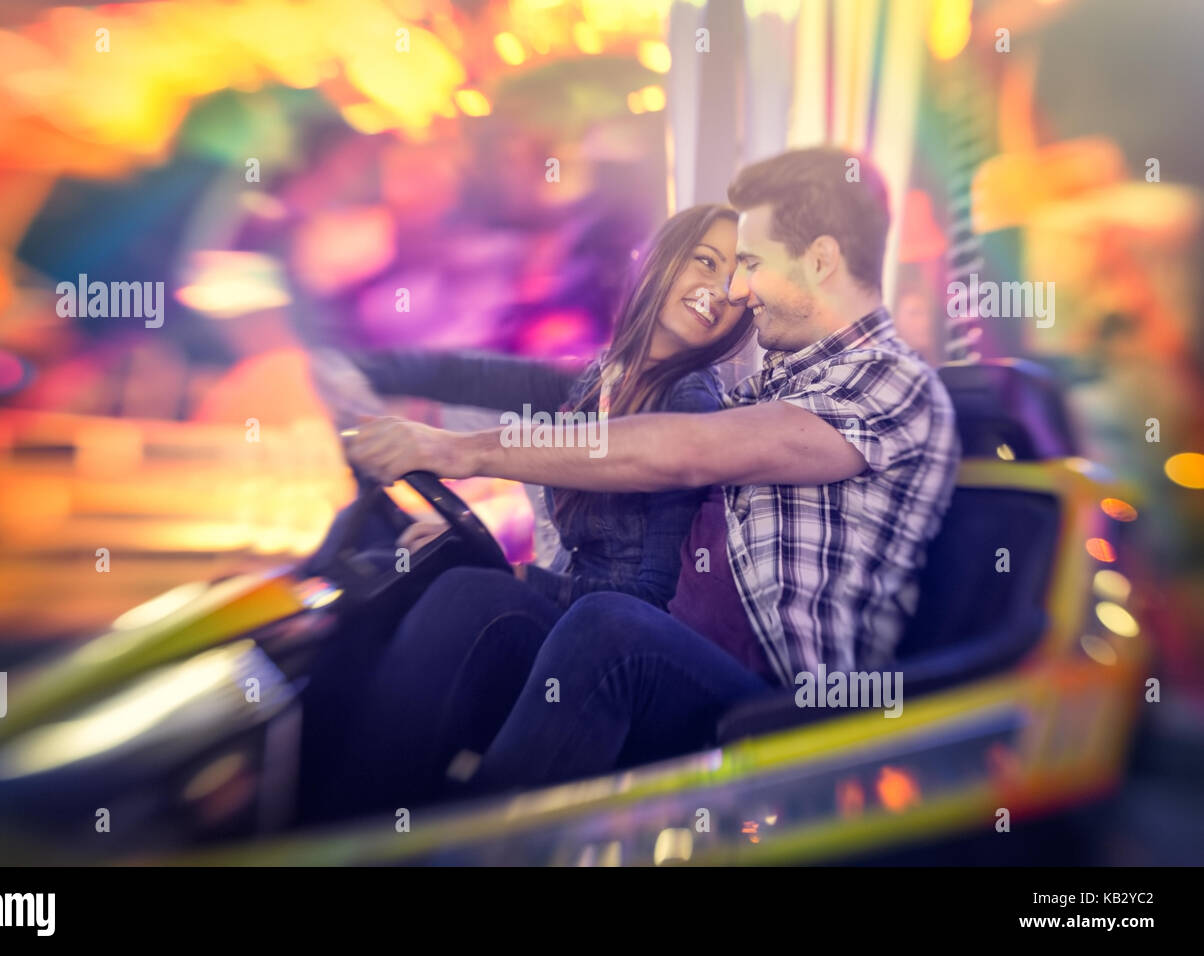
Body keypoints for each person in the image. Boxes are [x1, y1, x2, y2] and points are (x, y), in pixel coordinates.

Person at [345, 146, 962, 796]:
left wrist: (460, 451)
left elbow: (685, 450)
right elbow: (532, 387)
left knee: (609, 626)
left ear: (820, 261)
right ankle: (351, 821)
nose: (737, 291)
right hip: (695, 660)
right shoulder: (783, 377)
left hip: (790, 716)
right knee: (473, 594)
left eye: (751, 264)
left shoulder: (888, 382)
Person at [298, 204, 754, 821]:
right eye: (704, 261)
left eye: (733, 282)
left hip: (626, 655)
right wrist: (354, 371)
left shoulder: (689, 399)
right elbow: (465, 373)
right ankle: (308, 793)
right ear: (663, 260)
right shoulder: (599, 379)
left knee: (470, 596)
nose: (716, 291)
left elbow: (646, 602)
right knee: (385, 561)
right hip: (575, 625)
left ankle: (357, 826)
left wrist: (518, 578)